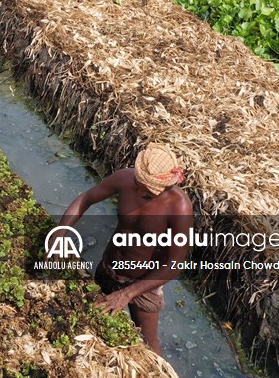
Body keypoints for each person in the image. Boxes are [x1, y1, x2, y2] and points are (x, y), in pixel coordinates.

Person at [59, 143, 192, 356]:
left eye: (147, 193)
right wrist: (60, 232)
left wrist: (127, 294)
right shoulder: (124, 179)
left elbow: (175, 265)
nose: (139, 191)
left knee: (150, 346)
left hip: (143, 284)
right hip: (109, 268)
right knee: (94, 324)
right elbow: (85, 199)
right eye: (138, 184)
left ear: (165, 187)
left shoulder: (179, 207)